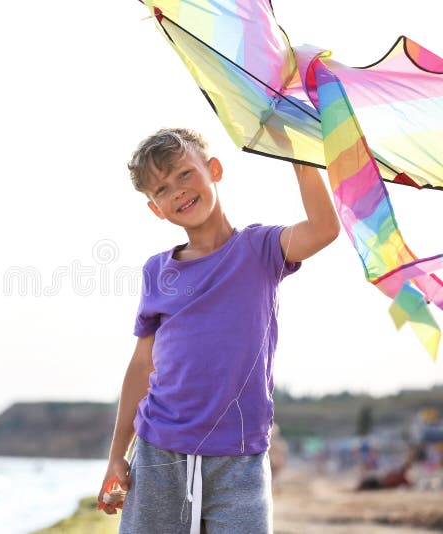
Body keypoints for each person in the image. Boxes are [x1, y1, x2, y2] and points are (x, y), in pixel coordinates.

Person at [96, 128, 340, 533]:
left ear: (214, 170)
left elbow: (324, 229)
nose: (177, 191)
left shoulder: (261, 250)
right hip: (160, 451)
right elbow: (142, 365)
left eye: (184, 174)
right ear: (156, 208)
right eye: (162, 188)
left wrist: (299, 158)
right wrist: (116, 456)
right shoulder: (158, 271)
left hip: (240, 455)